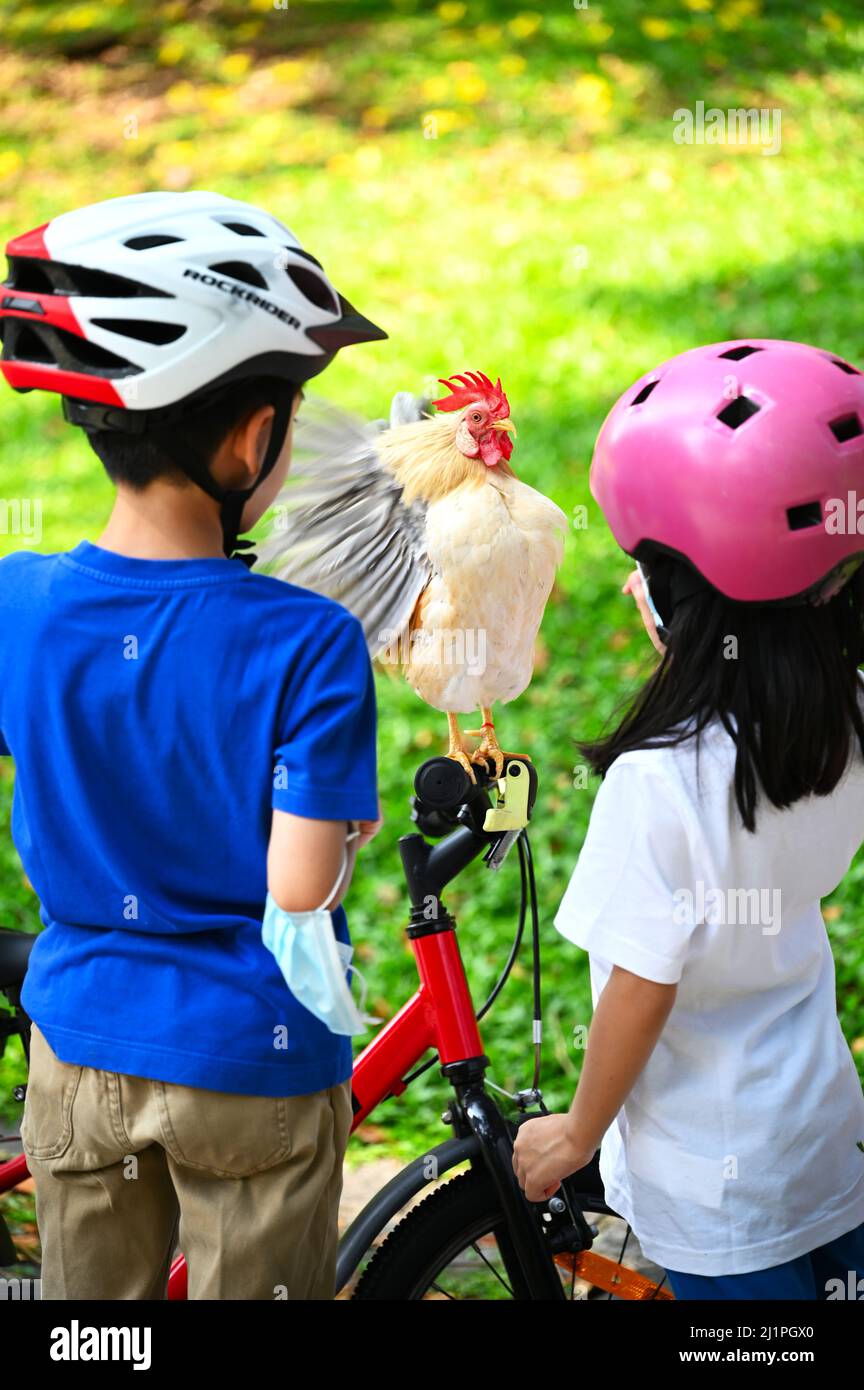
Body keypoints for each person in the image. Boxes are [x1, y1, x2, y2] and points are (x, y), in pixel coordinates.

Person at [0, 190, 387, 1300]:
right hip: (250, 1058)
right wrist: (343, 830)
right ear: (252, 432)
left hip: (78, 1047)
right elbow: (299, 882)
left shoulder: (18, 602)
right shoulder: (308, 638)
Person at [513, 338, 864, 1300]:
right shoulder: (848, 718)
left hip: (718, 1198)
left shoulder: (662, 784)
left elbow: (641, 986)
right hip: (827, 1140)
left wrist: (577, 1133)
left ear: (682, 601)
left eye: (651, 565)